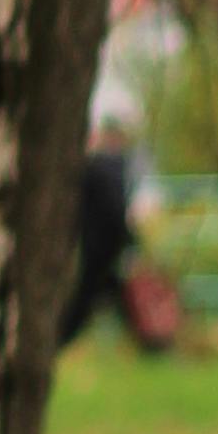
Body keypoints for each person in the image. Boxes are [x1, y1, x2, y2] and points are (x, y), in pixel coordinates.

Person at [65, 133, 174, 357]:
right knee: (96, 301)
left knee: (94, 301)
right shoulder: (112, 166)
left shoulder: (102, 165)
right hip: (105, 251)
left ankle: (153, 342)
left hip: (100, 251)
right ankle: (153, 342)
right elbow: (116, 211)